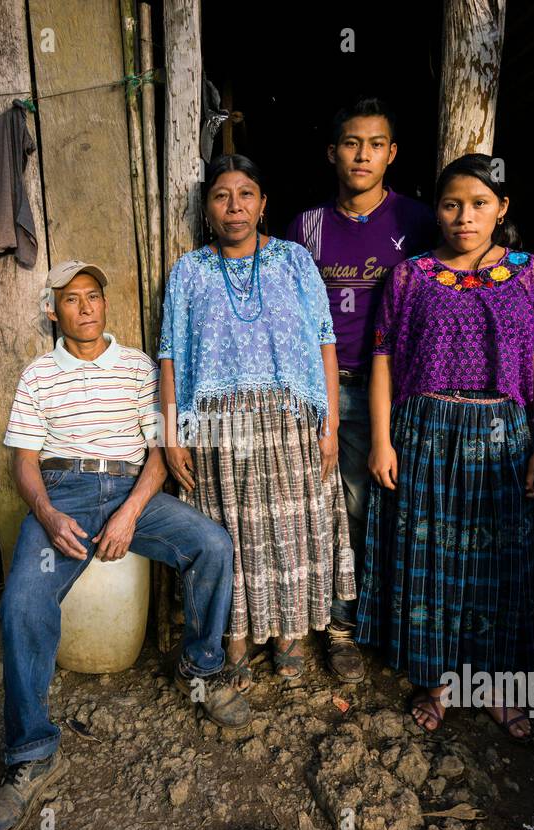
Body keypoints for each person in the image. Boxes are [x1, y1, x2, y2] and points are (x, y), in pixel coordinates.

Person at [0, 259, 249, 830]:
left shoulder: (138, 368)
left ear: (105, 303)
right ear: (55, 311)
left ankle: (199, 671)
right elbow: (23, 460)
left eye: (93, 296)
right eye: (71, 299)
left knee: (212, 545)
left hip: (132, 490)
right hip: (64, 493)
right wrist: (47, 514)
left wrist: (129, 512)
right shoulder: (38, 374)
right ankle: (32, 754)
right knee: (22, 602)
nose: (85, 307)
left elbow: (157, 451)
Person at [357, 153, 534, 740]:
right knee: (433, 563)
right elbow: (383, 362)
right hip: (424, 436)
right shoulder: (409, 276)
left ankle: (496, 684)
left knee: (500, 564)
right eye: (451, 204)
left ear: (501, 209)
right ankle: (440, 683)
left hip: (503, 439)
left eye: (478, 204)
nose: (463, 217)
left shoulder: (532, 274)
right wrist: (381, 440)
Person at [158, 154, 354, 692]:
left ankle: (289, 635)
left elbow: (324, 343)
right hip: (220, 427)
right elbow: (171, 356)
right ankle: (237, 638)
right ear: (207, 210)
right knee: (232, 535)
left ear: (264, 204)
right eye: (222, 196)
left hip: (290, 419)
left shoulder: (294, 261)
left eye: (246, 194)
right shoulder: (189, 272)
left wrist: (330, 422)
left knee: (291, 530)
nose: (234, 206)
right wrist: (172, 431)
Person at [285, 97, 439, 683]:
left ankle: (392, 626)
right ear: (332, 152)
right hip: (327, 391)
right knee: (336, 512)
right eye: (352, 143)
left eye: (376, 144)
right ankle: (340, 626)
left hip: (400, 393)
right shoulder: (307, 227)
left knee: (398, 510)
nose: (363, 154)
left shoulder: (418, 222)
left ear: (392, 154)